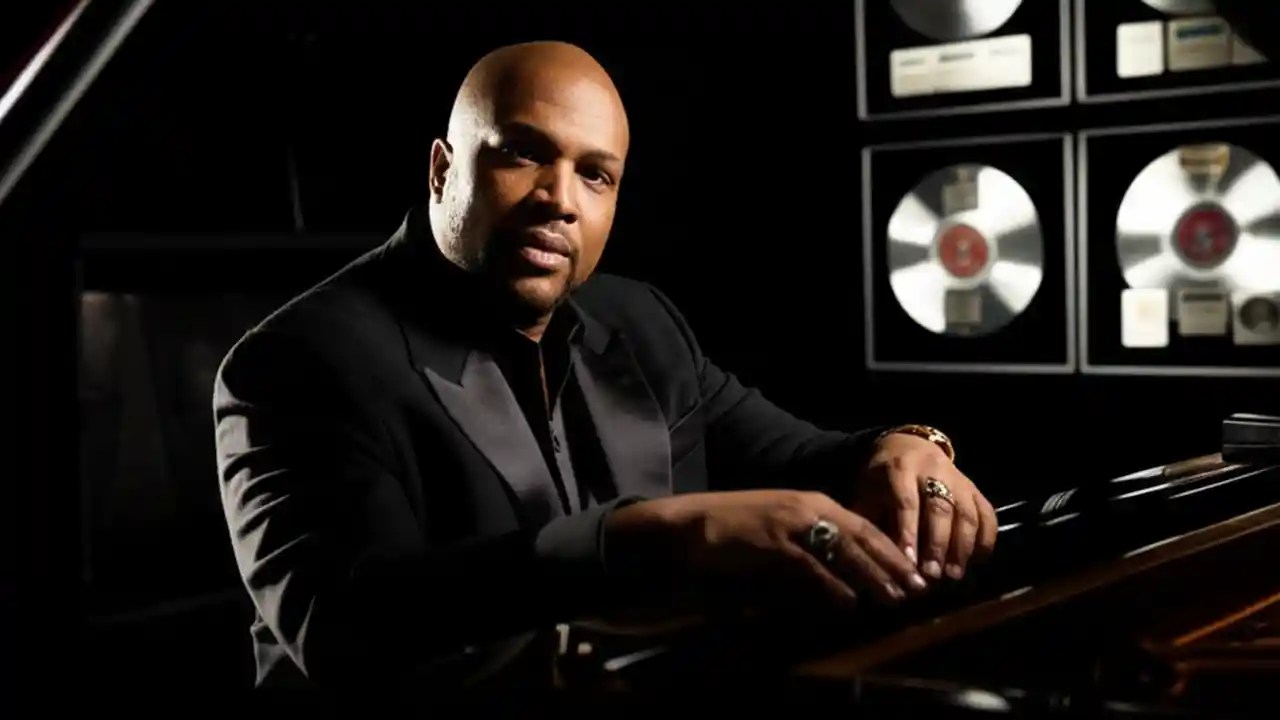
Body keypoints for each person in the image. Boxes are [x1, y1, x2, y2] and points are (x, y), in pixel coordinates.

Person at [213, 40, 997, 695]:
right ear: (441, 169)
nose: (560, 199)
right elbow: (347, 626)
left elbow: (797, 458)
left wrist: (903, 446)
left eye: (596, 174)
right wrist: (641, 537)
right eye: (522, 153)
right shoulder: (296, 361)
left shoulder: (643, 322)